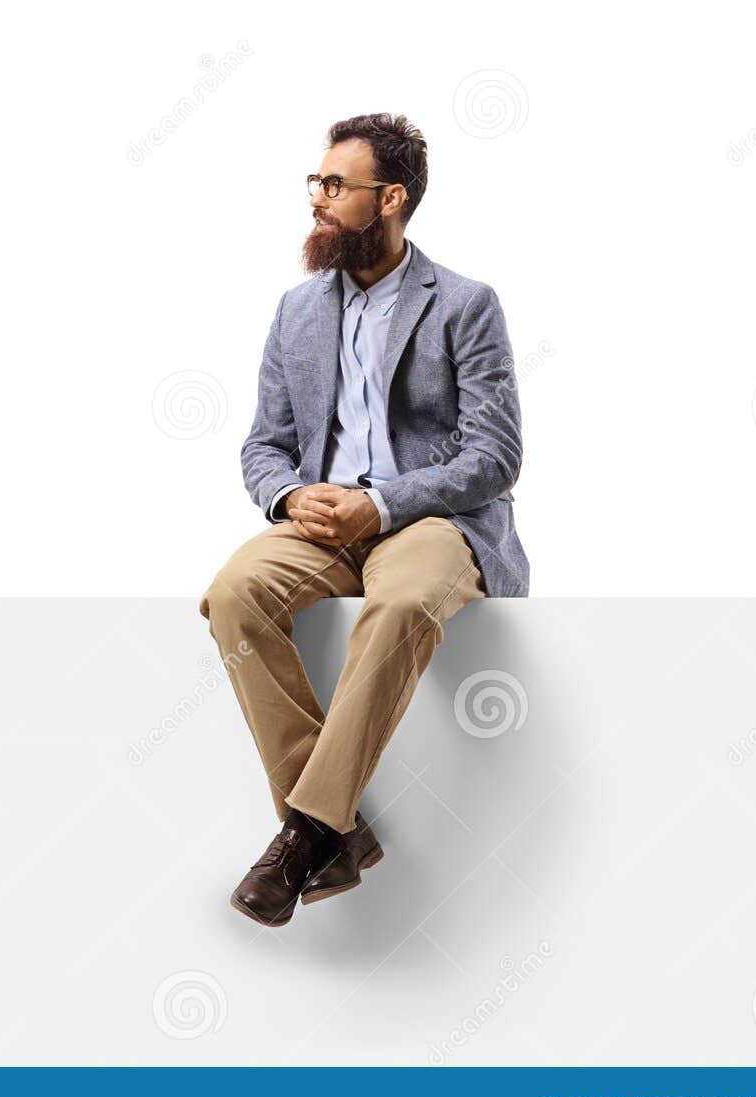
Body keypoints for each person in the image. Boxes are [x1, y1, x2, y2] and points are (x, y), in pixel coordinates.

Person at [199, 113, 527, 927]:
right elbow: (263, 445)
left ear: (390, 199)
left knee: (407, 601)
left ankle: (305, 830)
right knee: (233, 592)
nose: (318, 199)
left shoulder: (465, 304)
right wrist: (286, 496)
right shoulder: (296, 310)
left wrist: (380, 502)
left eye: (335, 186)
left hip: (430, 521)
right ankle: (336, 830)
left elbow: (495, 453)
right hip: (319, 525)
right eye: (317, 182)